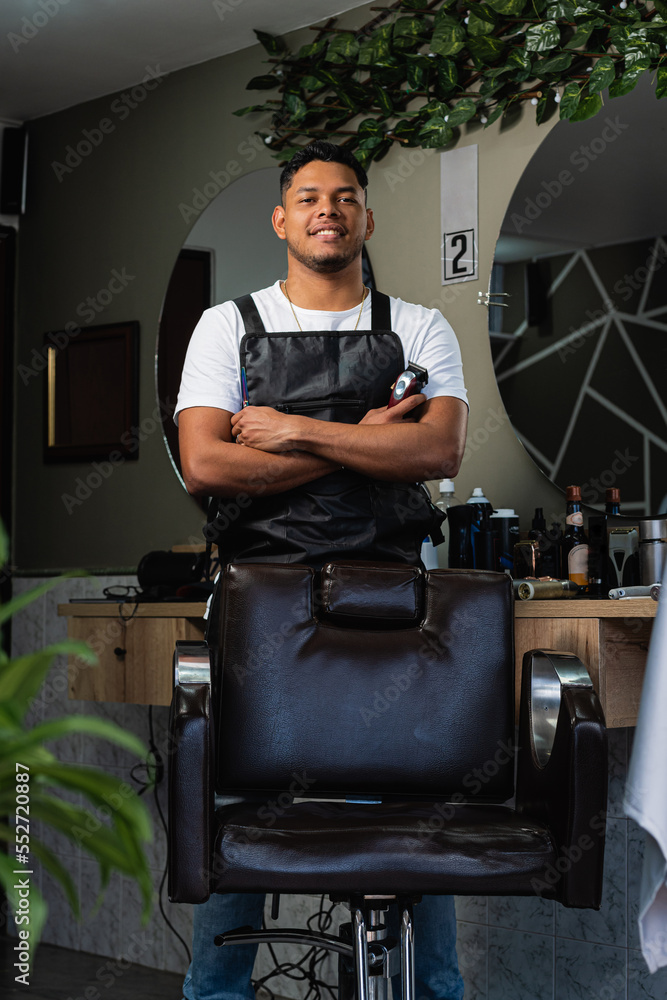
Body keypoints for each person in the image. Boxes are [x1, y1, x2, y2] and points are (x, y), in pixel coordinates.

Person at [175, 140, 469, 1000]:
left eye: (343, 198)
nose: (326, 210)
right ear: (282, 219)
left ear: (365, 217)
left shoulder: (416, 326)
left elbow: (438, 448)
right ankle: (217, 991)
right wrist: (370, 437)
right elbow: (207, 466)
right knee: (239, 811)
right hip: (259, 606)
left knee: (413, 812)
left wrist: (295, 430)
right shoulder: (227, 324)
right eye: (308, 198)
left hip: (391, 607)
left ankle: (432, 990)